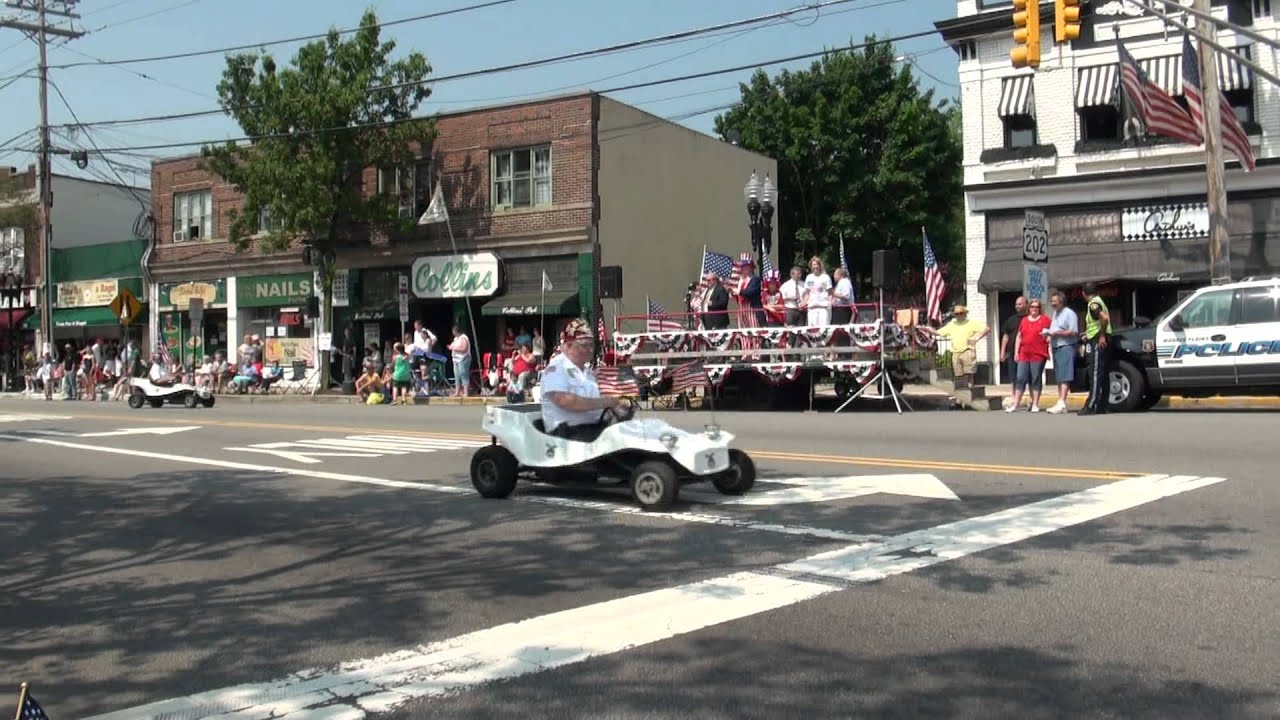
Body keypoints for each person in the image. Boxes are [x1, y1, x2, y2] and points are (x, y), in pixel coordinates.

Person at [540, 319, 621, 442]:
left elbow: (607, 401)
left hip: (596, 429)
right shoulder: (556, 369)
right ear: (568, 345)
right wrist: (606, 402)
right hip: (568, 436)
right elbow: (565, 401)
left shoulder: (588, 373)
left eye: (591, 345)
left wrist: (619, 406)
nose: (590, 349)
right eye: (584, 345)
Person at [1008, 298, 1051, 413]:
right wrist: (1016, 352)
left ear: (1040, 309)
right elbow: (1019, 336)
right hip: (1024, 353)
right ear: (1029, 308)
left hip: (1038, 354)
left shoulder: (1045, 320)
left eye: (1037, 307)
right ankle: (1016, 404)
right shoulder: (1024, 321)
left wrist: (1049, 343)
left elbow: (1050, 334)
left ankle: (1035, 404)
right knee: (1020, 378)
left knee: (1035, 378)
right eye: (1032, 307)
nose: (1034, 309)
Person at [1080, 282, 1112, 415]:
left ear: (1083, 293)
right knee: (1102, 374)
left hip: (1098, 340)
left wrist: (1102, 336)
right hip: (1096, 337)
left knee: (1095, 372)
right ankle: (1102, 405)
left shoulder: (1093, 304)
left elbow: (1103, 318)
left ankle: (1091, 405)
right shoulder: (1099, 301)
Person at [1045, 289, 1079, 414]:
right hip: (1056, 347)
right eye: (1051, 301)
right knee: (1059, 376)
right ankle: (1060, 402)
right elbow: (1054, 329)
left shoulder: (1069, 313)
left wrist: (1057, 333)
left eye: (1055, 301)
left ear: (1061, 301)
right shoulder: (1055, 314)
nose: (1052, 304)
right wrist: (1048, 335)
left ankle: (1062, 401)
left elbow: (1074, 331)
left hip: (1066, 346)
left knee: (1065, 376)